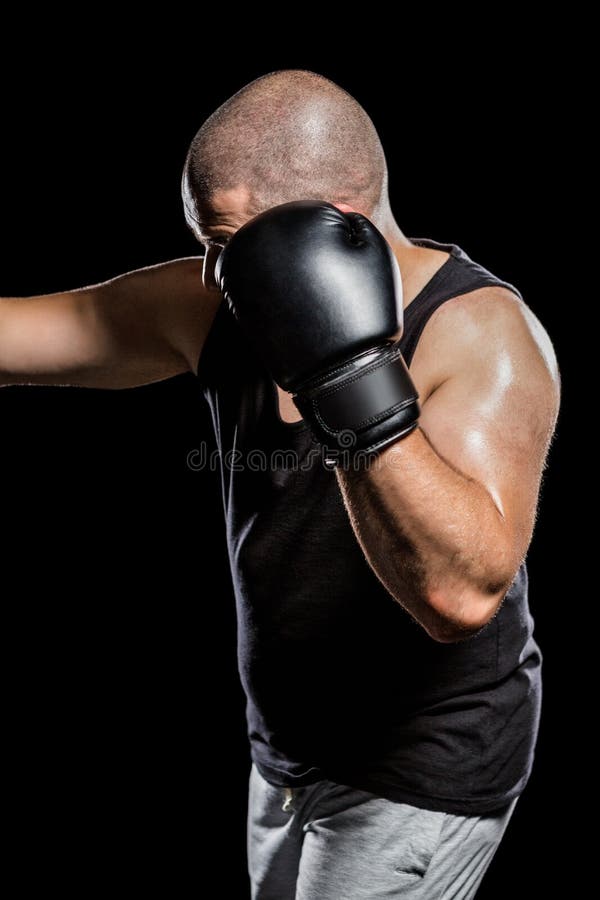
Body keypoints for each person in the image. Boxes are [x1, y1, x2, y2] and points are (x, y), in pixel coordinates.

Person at [0, 71, 559, 899]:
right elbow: (24, 335)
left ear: (340, 224)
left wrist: (348, 375)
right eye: (208, 245)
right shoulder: (218, 309)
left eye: (230, 246)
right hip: (287, 751)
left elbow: (460, 594)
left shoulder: (480, 336)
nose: (212, 276)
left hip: (419, 766)